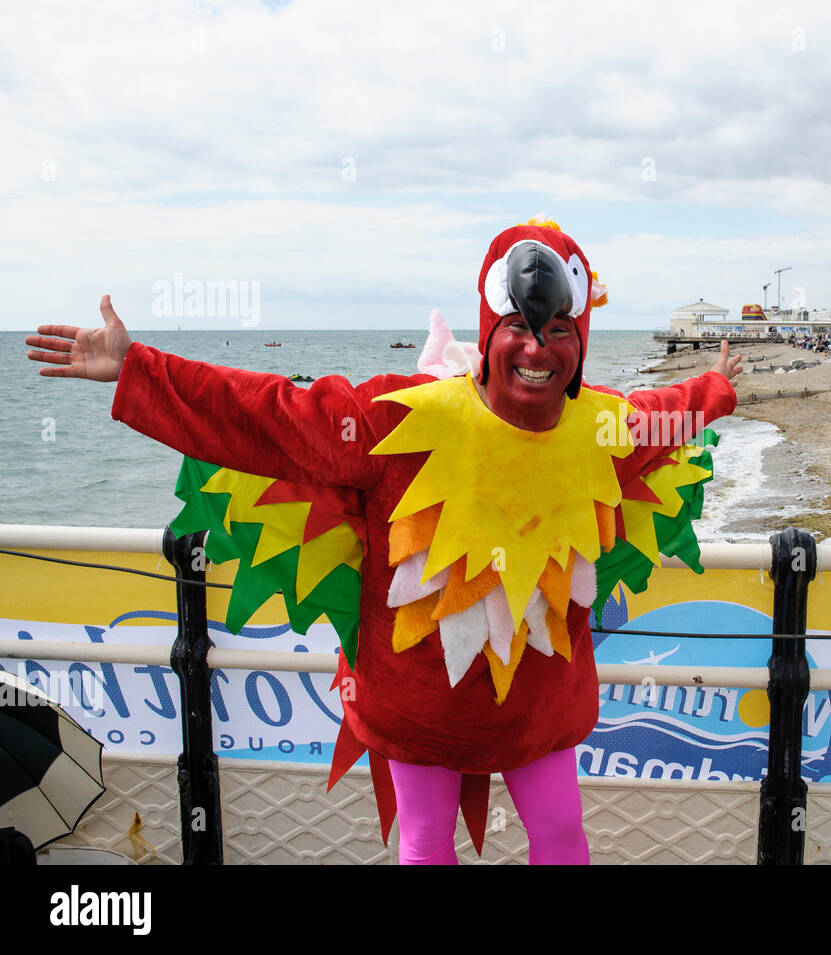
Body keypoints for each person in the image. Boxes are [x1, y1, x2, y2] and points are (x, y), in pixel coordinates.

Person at [26, 222, 743, 865]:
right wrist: (140, 368)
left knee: (561, 837)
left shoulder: (605, 430)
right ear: (489, 330)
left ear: (580, 342)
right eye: (520, 326)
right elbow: (274, 416)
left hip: (540, 707)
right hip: (419, 709)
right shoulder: (401, 419)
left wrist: (714, 386)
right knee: (425, 843)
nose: (537, 348)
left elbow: (667, 414)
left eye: (560, 330)